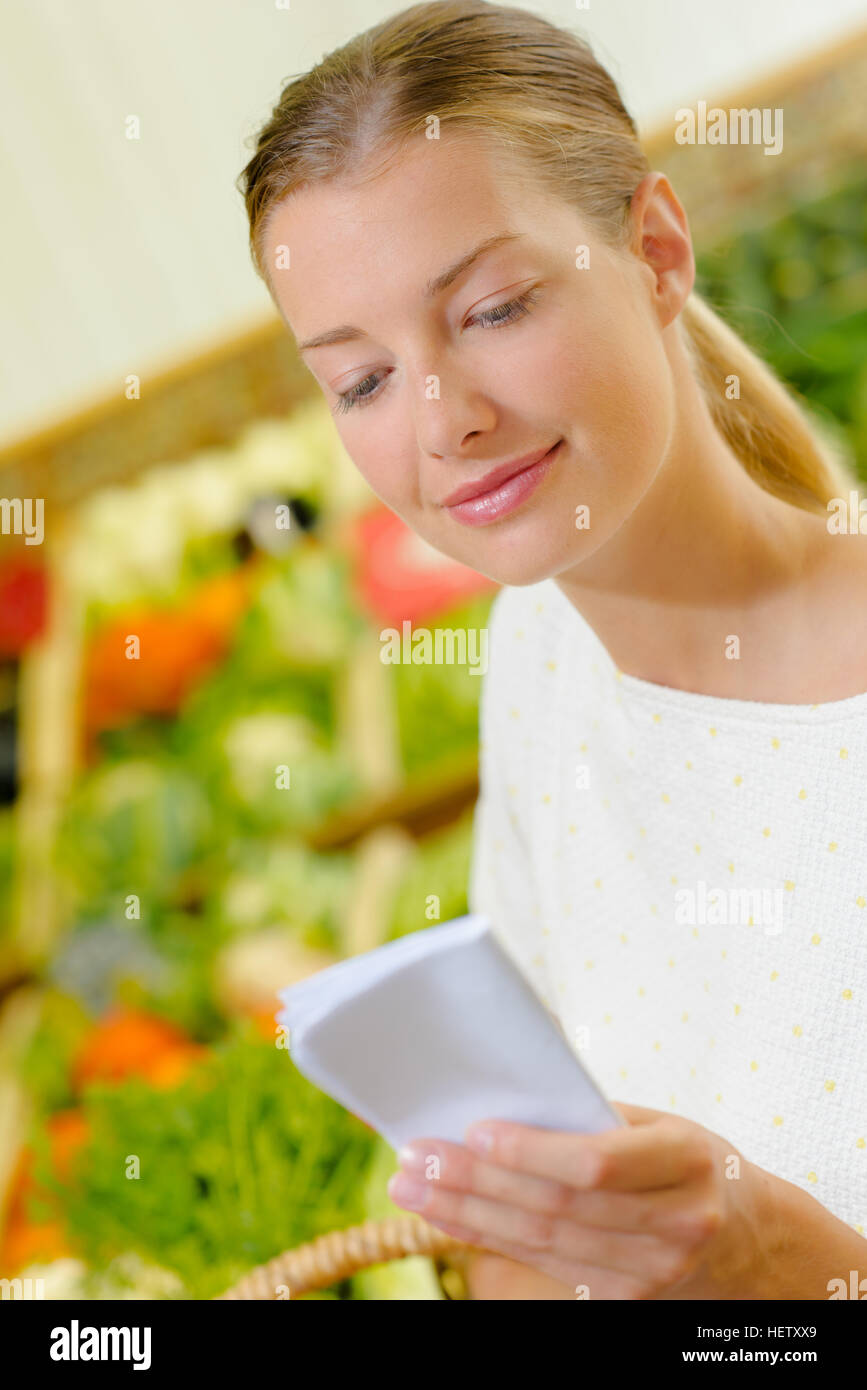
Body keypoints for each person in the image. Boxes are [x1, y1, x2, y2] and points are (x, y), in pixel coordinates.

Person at [238, 0, 867, 1298]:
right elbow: (540, 1203)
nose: (444, 422)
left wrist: (794, 1267)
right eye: (360, 380)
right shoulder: (539, 655)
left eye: (495, 307)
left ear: (656, 249)